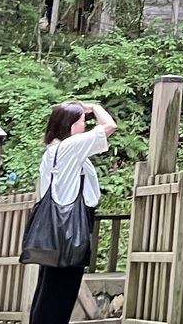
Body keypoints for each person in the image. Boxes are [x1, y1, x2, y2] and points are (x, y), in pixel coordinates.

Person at [27, 100, 117, 324]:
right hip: (69, 226)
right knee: (60, 292)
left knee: (49, 289)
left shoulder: (55, 149)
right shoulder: (70, 147)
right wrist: (94, 106)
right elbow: (110, 126)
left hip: (56, 226)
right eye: (81, 122)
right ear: (69, 125)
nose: (84, 126)